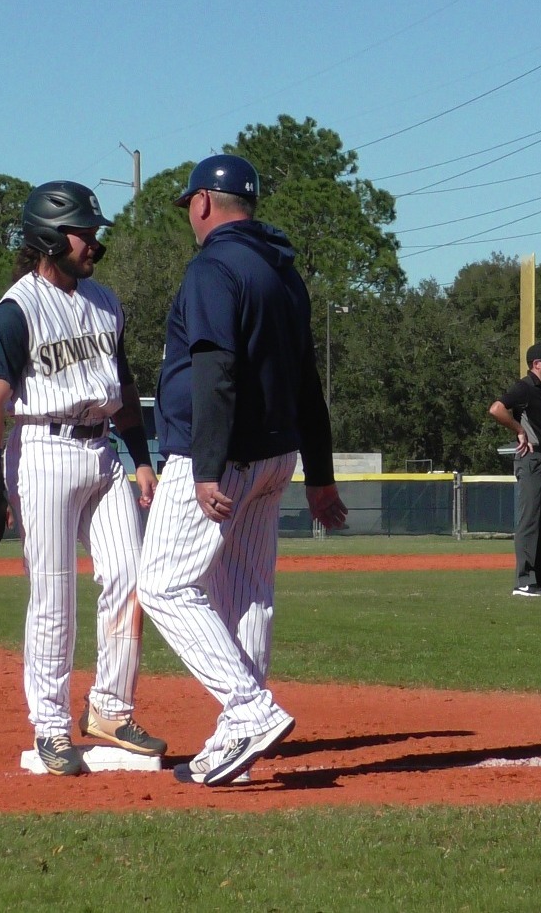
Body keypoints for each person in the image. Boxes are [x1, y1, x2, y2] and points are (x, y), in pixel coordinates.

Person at [135, 154, 348, 788]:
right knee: (247, 594)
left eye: (188, 207)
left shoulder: (213, 266)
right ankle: (241, 734)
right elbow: (308, 384)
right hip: (277, 457)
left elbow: (214, 371)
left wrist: (205, 465)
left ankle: (248, 709)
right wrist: (321, 476)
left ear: (203, 203)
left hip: (223, 460)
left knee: (165, 585)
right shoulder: (284, 272)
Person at [0, 180, 166, 777]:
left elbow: (125, 390)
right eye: (85, 231)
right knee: (54, 597)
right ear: (49, 237)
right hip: (42, 452)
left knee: (133, 578)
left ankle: (110, 707)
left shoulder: (106, 302)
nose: (93, 242)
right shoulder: (14, 311)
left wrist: (140, 458)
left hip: (102, 449)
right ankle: (51, 726)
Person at [489, 342, 541, 597]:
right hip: (531, 458)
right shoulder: (524, 388)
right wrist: (520, 430)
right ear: (537, 364)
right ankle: (524, 582)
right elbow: (496, 408)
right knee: (530, 521)